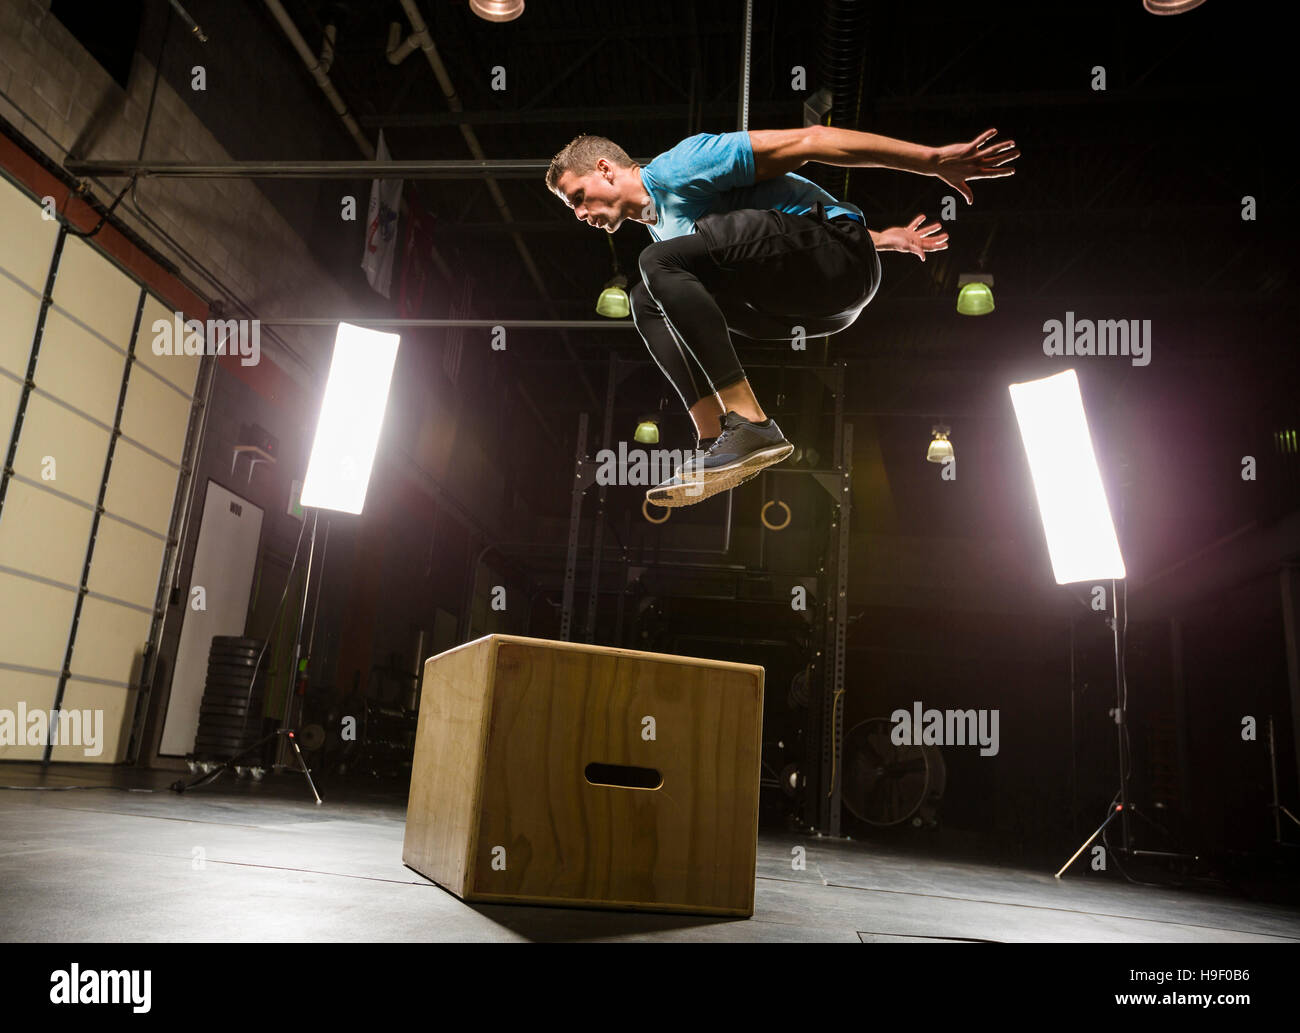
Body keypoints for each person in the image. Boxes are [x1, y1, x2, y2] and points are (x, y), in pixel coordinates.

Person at [545, 124, 1017, 506]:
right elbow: (768, 240)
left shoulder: (679, 166)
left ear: (605, 170)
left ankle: (749, 421)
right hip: (811, 303)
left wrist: (929, 160)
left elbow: (811, 141)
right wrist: (889, 239)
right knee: (647, 297)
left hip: (836, 259)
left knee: (656, 266)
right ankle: (715, 436)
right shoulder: (664, 237)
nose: (579, 213)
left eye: (579, 197)